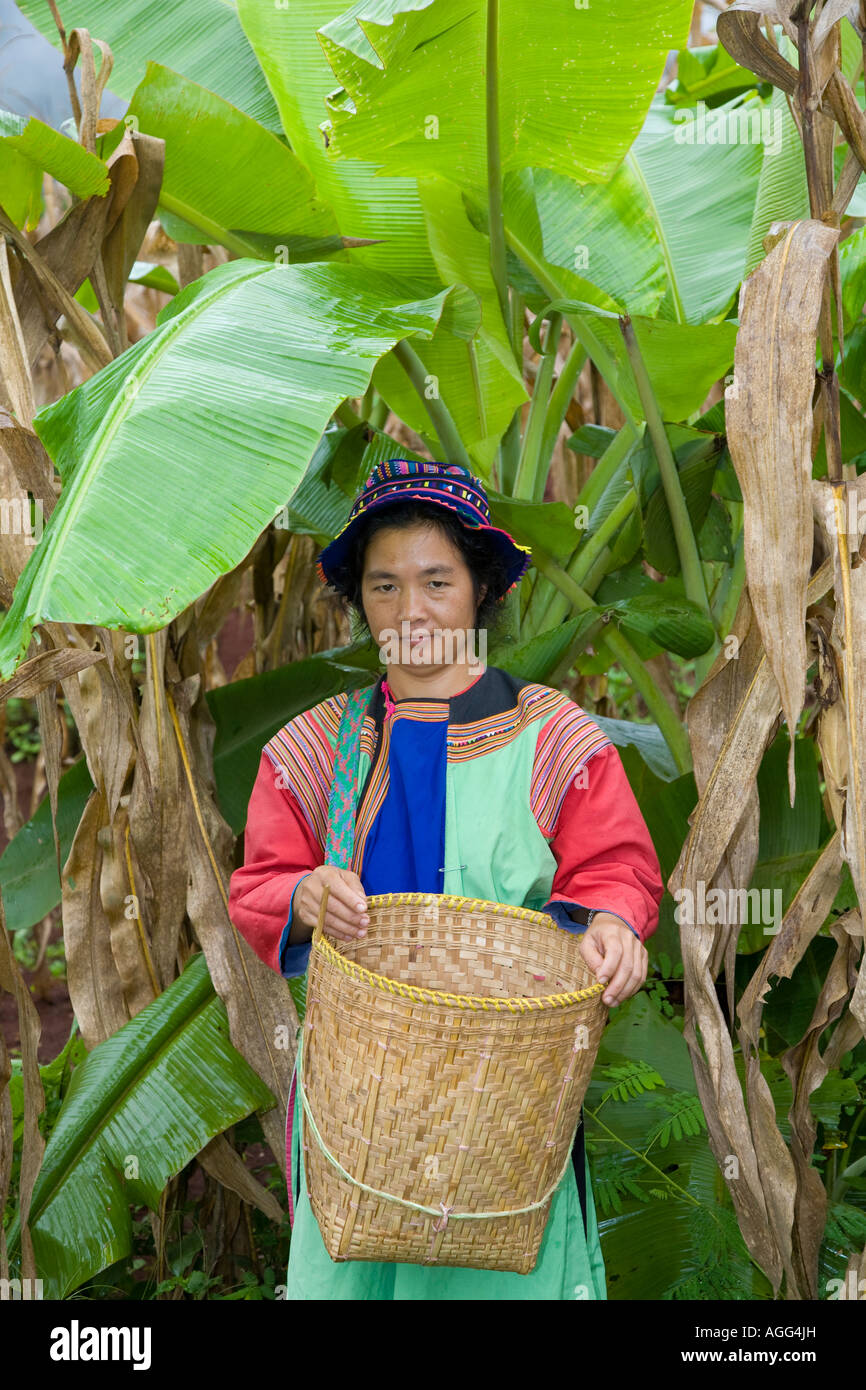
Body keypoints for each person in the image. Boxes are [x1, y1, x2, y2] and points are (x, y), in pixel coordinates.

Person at [228, 458, 664, 1300]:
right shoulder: (316, 749)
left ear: (480, 591)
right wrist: (304, 896)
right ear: (360, 602)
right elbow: (259, 887)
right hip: (364, 1106)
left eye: (436, 581)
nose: (411, 610)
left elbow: (614, 867)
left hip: (511, 1100)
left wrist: (612, 922)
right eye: (384, 586)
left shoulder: (553, 739)